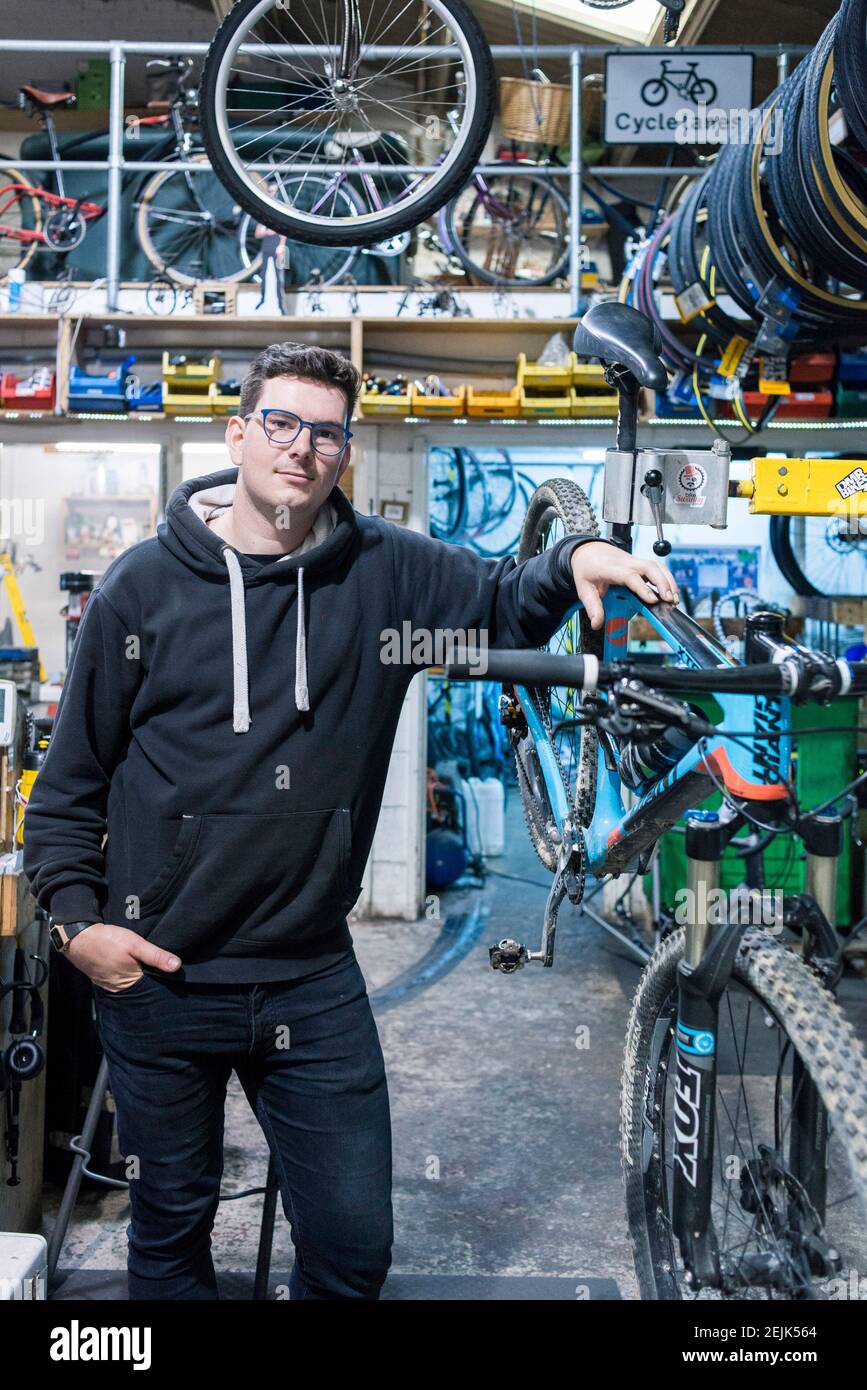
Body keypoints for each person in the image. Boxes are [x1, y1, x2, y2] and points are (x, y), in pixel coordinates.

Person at [22, 342, 679, 1301]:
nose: (302, 447)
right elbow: (67, 790)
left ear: (344, 454)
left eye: (326, 432)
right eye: (281, 423)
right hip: (159, 977)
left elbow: (498, 609)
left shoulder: (383, 575)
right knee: (170, 1228)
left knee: (352, 1241)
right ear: (238, 431)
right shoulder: (143, 589)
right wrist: (82, 931)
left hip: (309, 979)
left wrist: (571, 555)